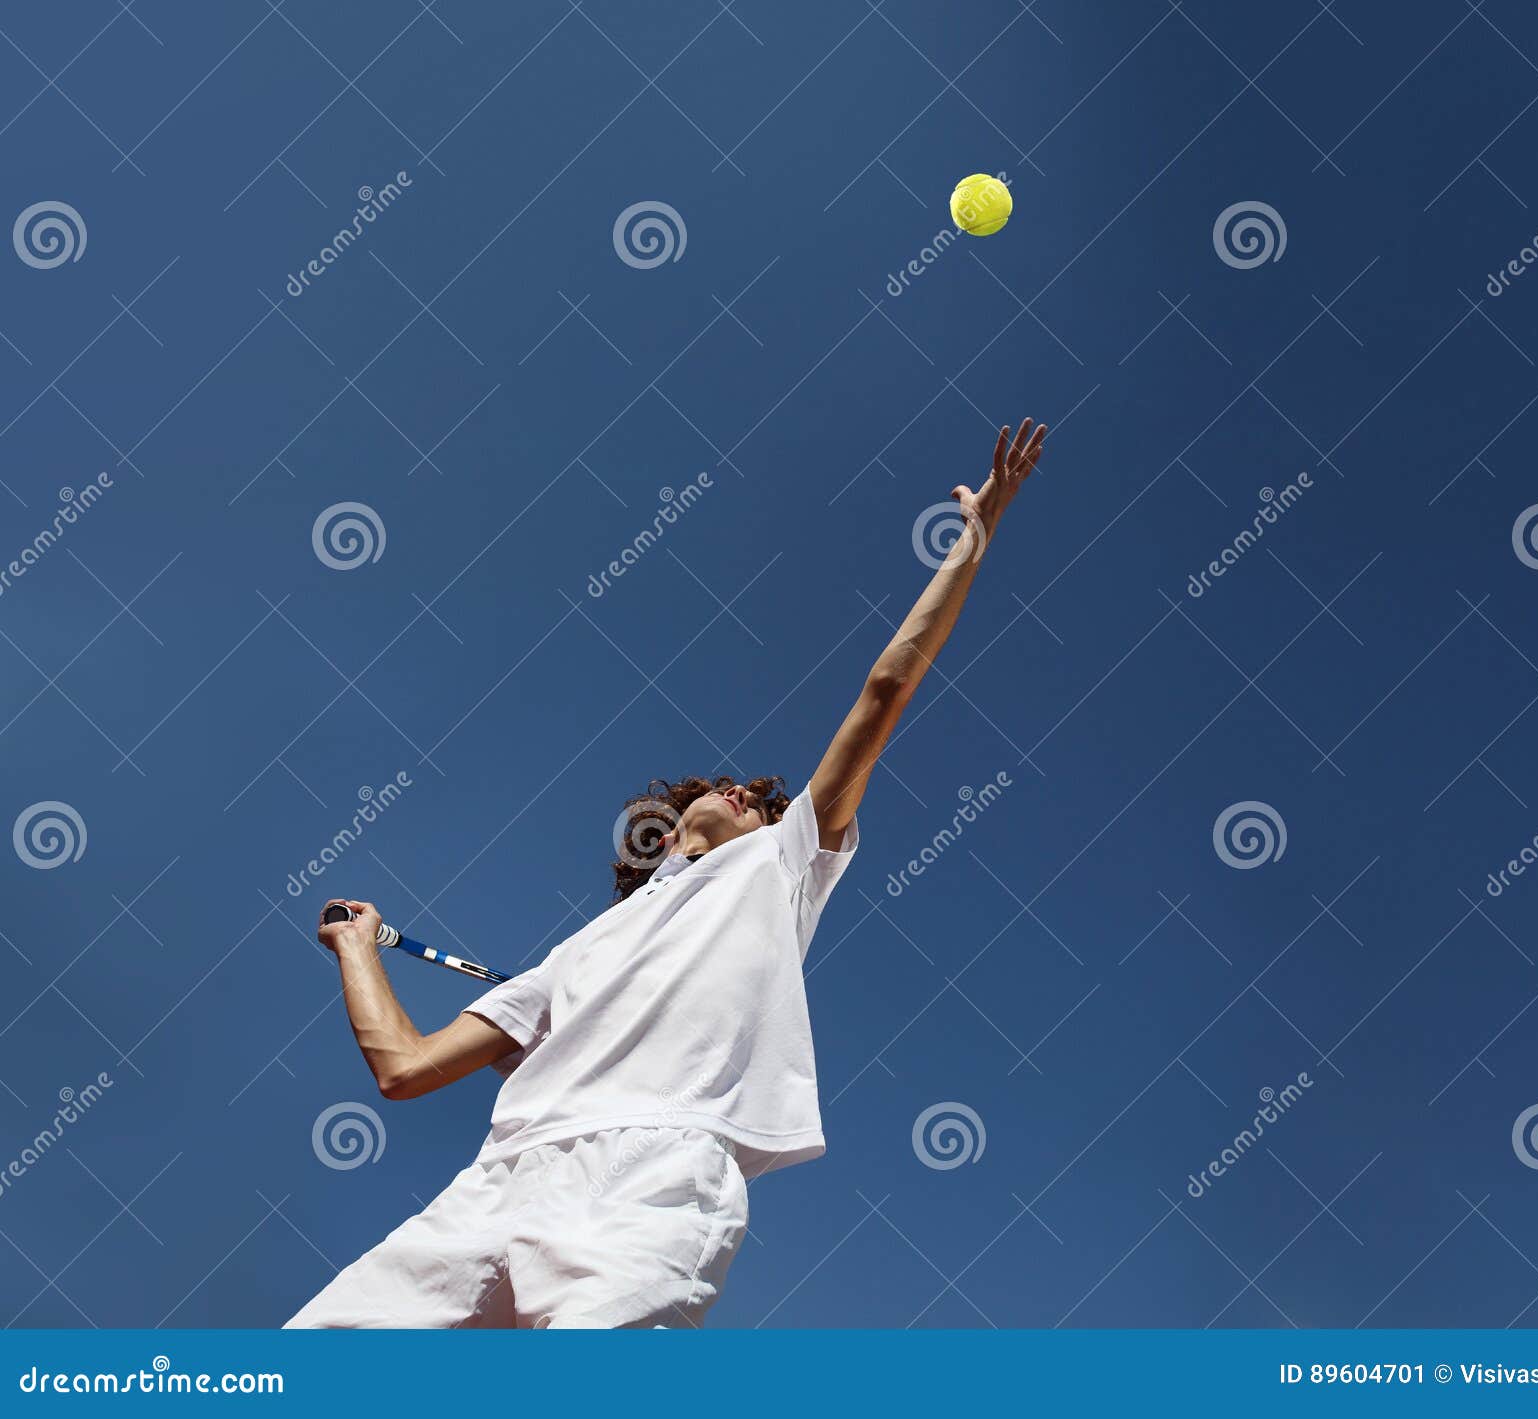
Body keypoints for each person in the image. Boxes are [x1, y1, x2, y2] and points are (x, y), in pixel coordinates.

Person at [286, 418, 1047, 1328]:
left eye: (758, 796)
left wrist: (975, 539)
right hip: (493, 1184)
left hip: (653, 1179)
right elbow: (404, 1071)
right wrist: (355, 945)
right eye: (726, 787)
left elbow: (886, 689)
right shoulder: (566, 960)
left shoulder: (781, 862)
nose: (744, 790)